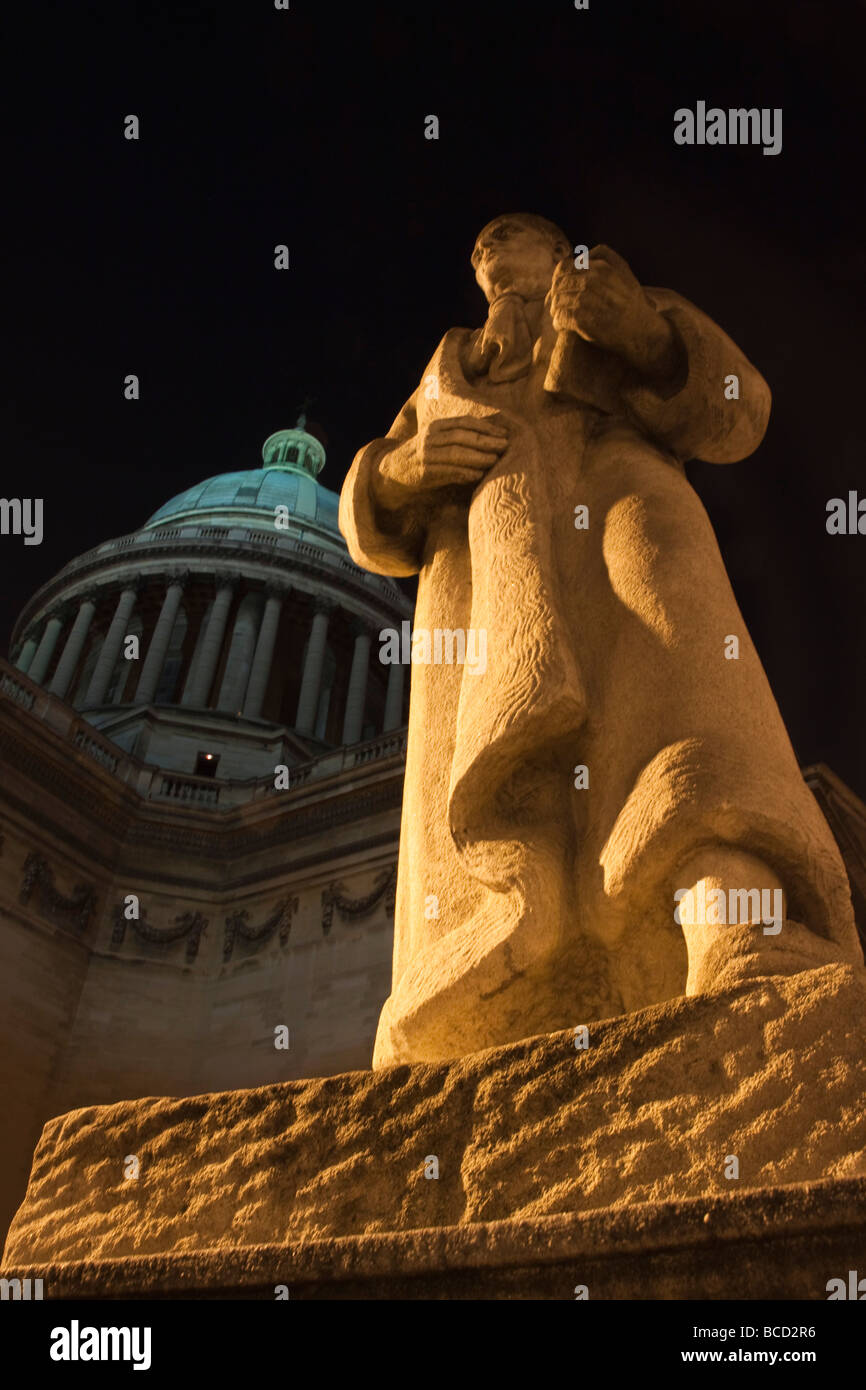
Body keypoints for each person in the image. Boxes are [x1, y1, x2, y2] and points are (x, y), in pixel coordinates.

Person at [340, 212, 862, 1066]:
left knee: (683, 709)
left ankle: (734, 928)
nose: (493, 261)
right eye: (482, 257)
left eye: (514, 244)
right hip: (491, 581)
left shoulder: (619, 302)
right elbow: (370, 519)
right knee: (510, 778)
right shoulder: (447, 368)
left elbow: (741, 412)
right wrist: (400, 471)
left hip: (623, 514)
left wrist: (650, 337)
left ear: (558, 253)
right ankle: (496, 982)